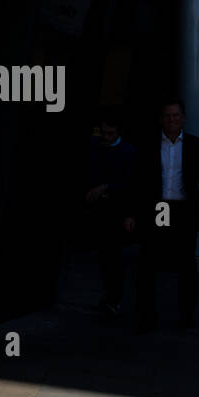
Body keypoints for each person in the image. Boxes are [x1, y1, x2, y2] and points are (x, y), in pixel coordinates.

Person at [126, 99, 199, 331]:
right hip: (156, 208)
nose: (171, 120)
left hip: (183, 210)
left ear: (183, 118)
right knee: (148, 262)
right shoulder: (147, 145)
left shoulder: (197, 145)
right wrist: (132, 213)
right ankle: (147, 316)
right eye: (167, 115)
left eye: (175, 116)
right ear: (161, 119)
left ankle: (186, 316)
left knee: (186, 265)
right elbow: (137, 182)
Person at [84, 113, 135, 315]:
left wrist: (106, 188)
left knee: (113, 257)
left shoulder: (127, 152)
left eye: (110, 133)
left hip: (116, 211)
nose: (106, 136)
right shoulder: (98, 148)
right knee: (106, 257)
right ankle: (111, 297)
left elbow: (130, 184)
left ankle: (114, 298)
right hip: (102, 210)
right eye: (104, 133)